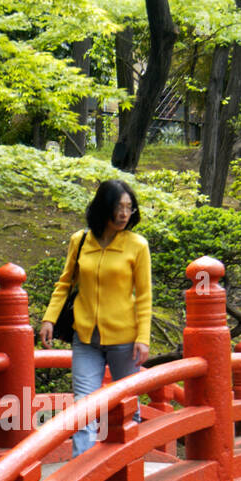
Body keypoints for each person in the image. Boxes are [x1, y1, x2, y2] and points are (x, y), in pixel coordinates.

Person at [38, 180, 151, 458]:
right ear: (103, 207)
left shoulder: (137, 245)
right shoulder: (80, 241)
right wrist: (49, 319)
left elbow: (145, 296)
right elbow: (64, 283)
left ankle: (127, 464)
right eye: (118, 207)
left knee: (127, 404)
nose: (124, 213)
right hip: (85, 337)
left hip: (124, 339)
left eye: (129, 207)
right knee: (83, 407)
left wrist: (143, 337)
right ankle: (83, 478)